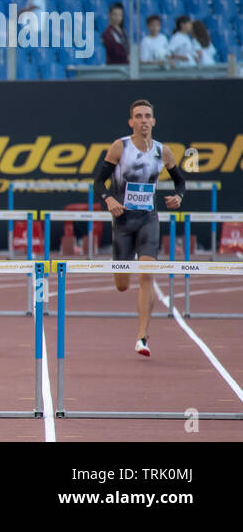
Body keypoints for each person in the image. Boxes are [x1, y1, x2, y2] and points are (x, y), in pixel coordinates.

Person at [92, 99, 185, 357]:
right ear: (131, 122)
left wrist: (178, 197)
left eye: (148, 116)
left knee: (147, 275)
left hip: (148, 220)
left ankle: (142, 338)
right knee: (122, 284)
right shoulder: (119, 147)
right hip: (123, 222)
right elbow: (99, 183)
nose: (144, 120)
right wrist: (109, 199)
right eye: (138, 116)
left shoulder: (163, 151)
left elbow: (180, 182)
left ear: (153, 121)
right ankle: (125, 278)